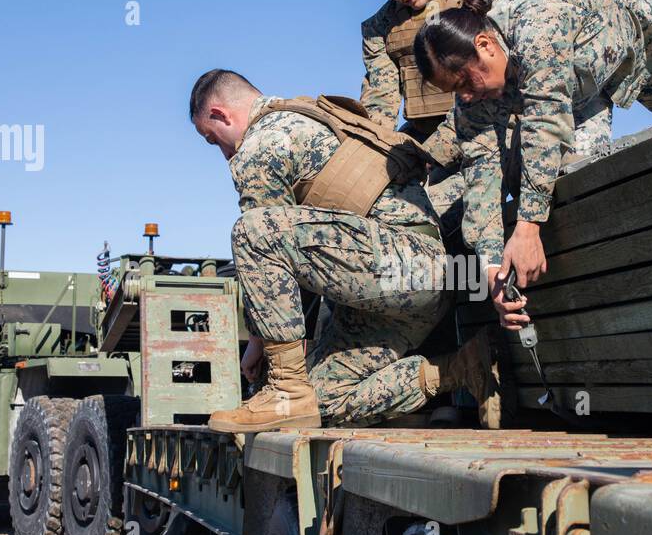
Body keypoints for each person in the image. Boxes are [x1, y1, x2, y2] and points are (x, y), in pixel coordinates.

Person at [412, 0, 652, 328]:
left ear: (484, 46)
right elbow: (481, 172)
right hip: (581, 93)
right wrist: (490, 270)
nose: (466, 96)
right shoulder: (472, 97)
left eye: (464, 82)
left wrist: (528, 225)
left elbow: (544, 122)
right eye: (455, 92)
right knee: (570, 181)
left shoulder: (538, 25)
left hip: (642, 42)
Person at [189, 69, 500, 431]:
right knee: (318, 404)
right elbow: (295, 262)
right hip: (407, 283)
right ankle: (459, 368)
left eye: (215, 140)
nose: (225, 154)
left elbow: (268, 249)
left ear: (219, 114)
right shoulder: (310, 115)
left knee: (252, 231)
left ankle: (285, 390)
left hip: (402, 268)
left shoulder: (260, 147)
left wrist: (257, 344)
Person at [357, 0, 513, 235]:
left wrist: (428, 157)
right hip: (426, 148)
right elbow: (379, 109)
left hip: (491, 134)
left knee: (423, 218)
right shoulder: (380, 27)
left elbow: (505, 83)